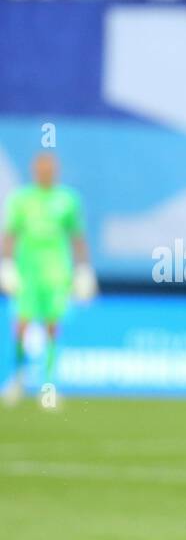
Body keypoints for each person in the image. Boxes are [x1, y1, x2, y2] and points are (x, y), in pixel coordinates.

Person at [1, 152, 95, 404]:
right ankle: (18, 378)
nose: (45, 172)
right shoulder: (22, 199)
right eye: (40, 167)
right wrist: (6, 264)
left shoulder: (68, 199)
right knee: (21, 326)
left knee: (52, 327)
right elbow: (10, 233)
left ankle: (48, 384)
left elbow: (77, 236)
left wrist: (83, 269)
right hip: (27, 273)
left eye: (49, 167)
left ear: (56, 170)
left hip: (56, 273)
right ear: (34, 170)